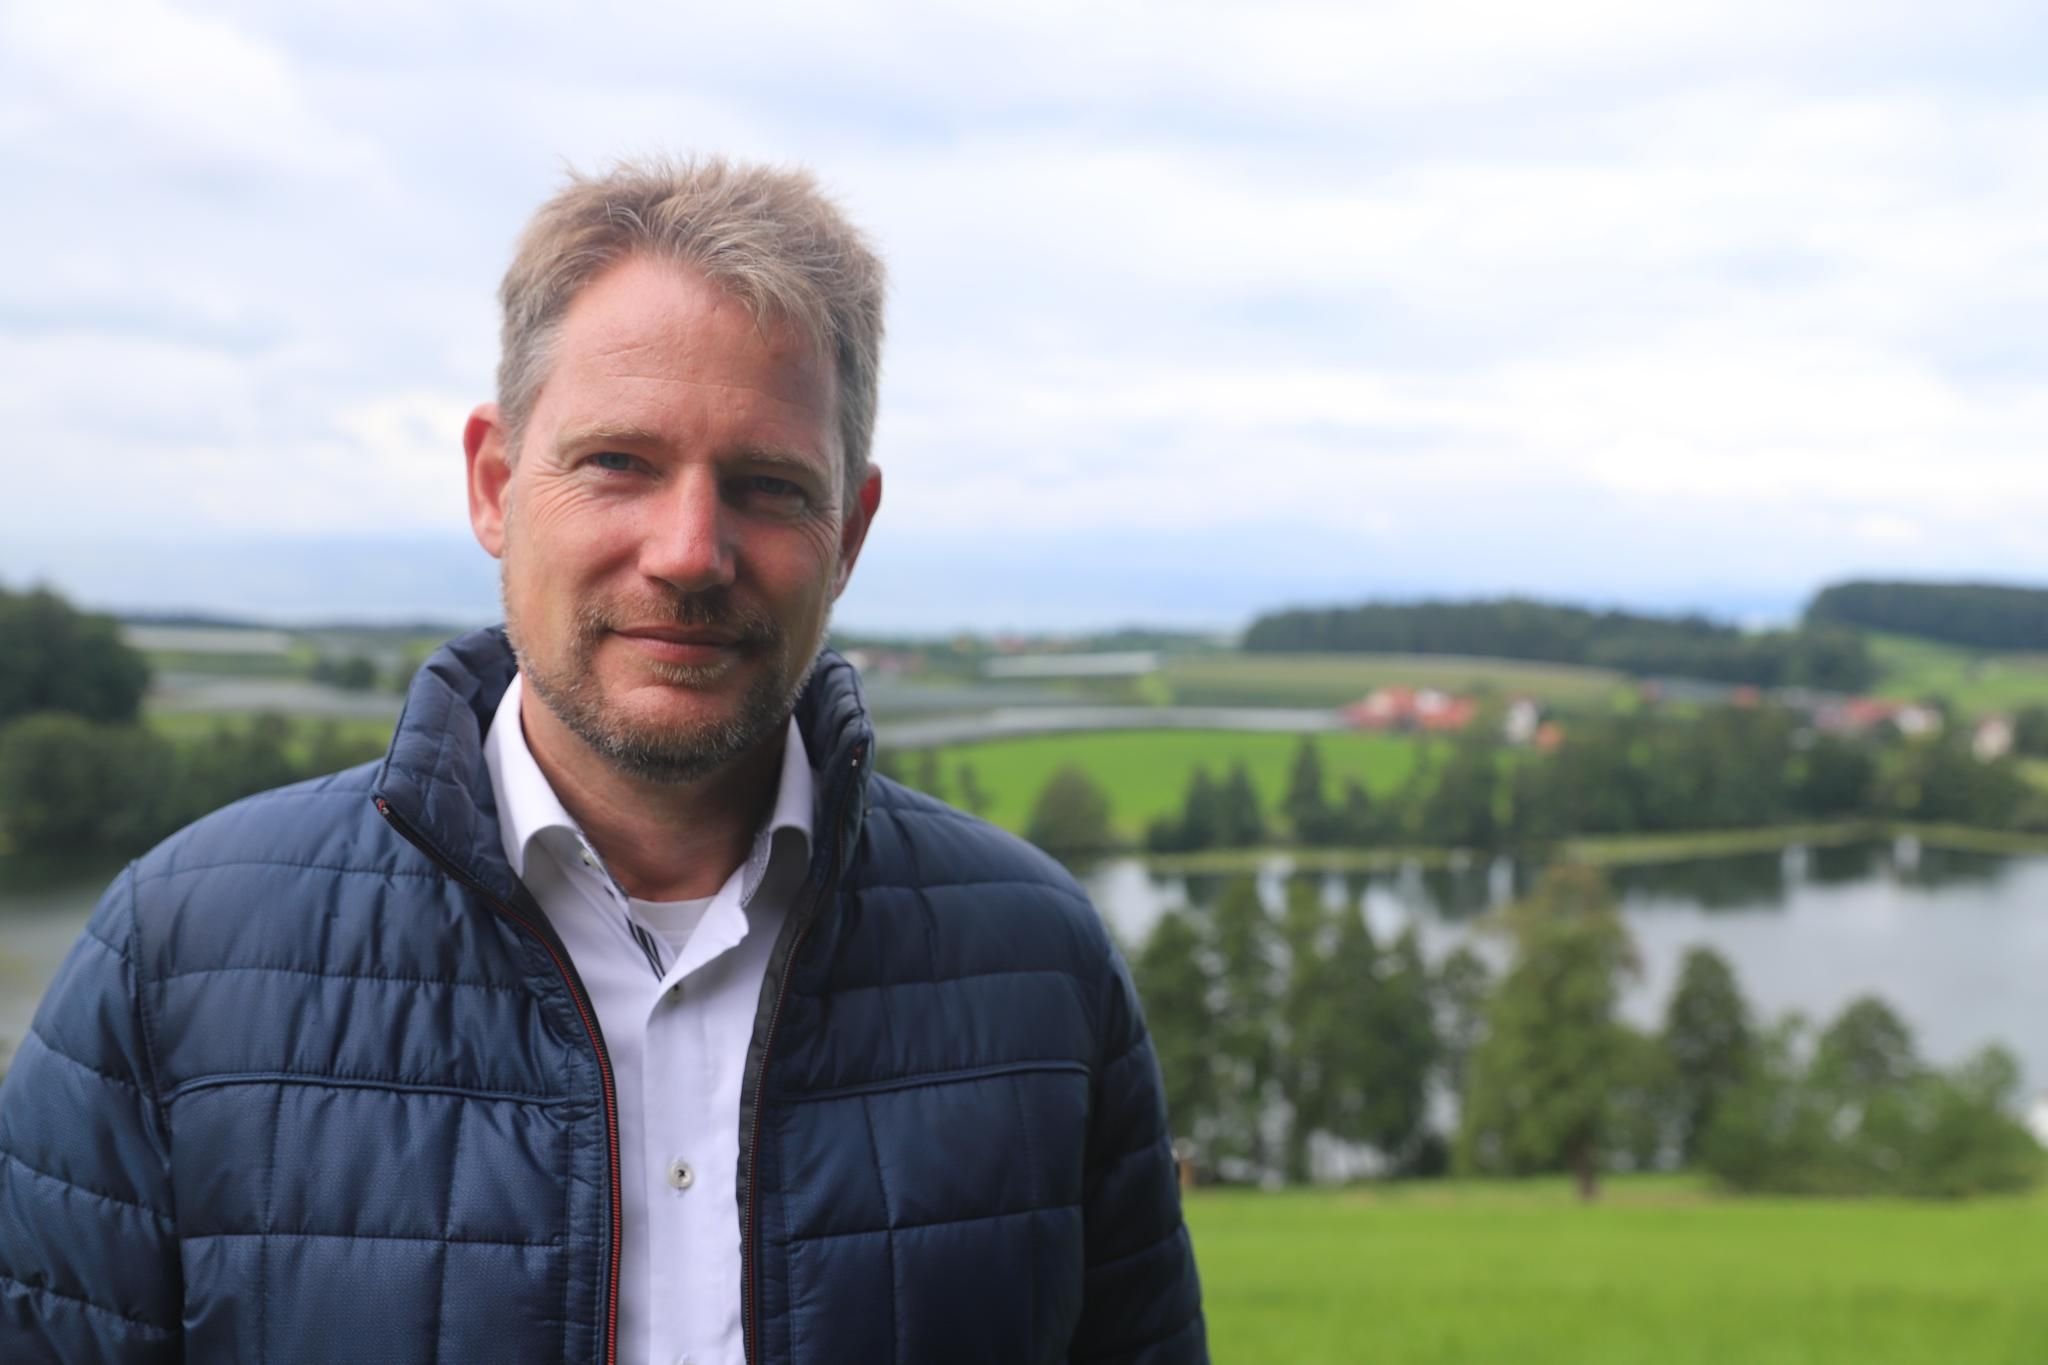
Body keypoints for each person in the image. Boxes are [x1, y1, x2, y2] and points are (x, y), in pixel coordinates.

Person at [0, 158, 1206, 1364]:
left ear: (848, 533)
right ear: (493, 485)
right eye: (618, 463)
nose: (688, 551)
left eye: (767, 485)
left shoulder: (1039, 971)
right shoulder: (176, 962)